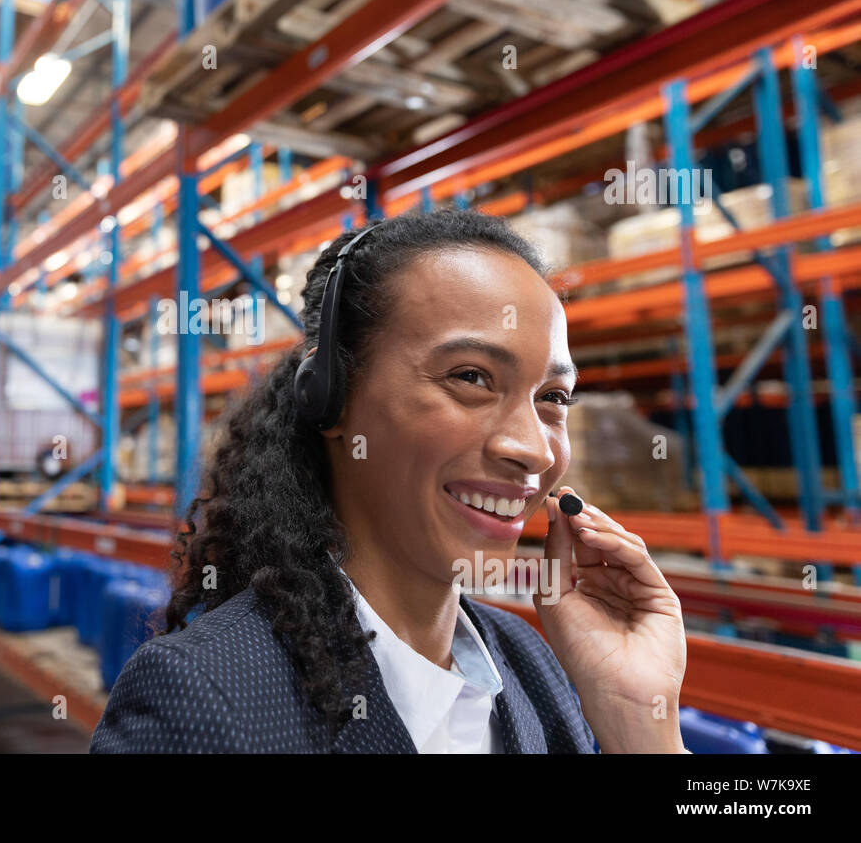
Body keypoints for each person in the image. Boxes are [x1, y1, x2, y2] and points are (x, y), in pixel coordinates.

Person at [91, 209, 687, 753]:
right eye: (472, 378)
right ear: (332, 400)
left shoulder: (534, 664)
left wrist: (640, 724)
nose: (533, 449)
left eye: (553, 397)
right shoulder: (205, 697)